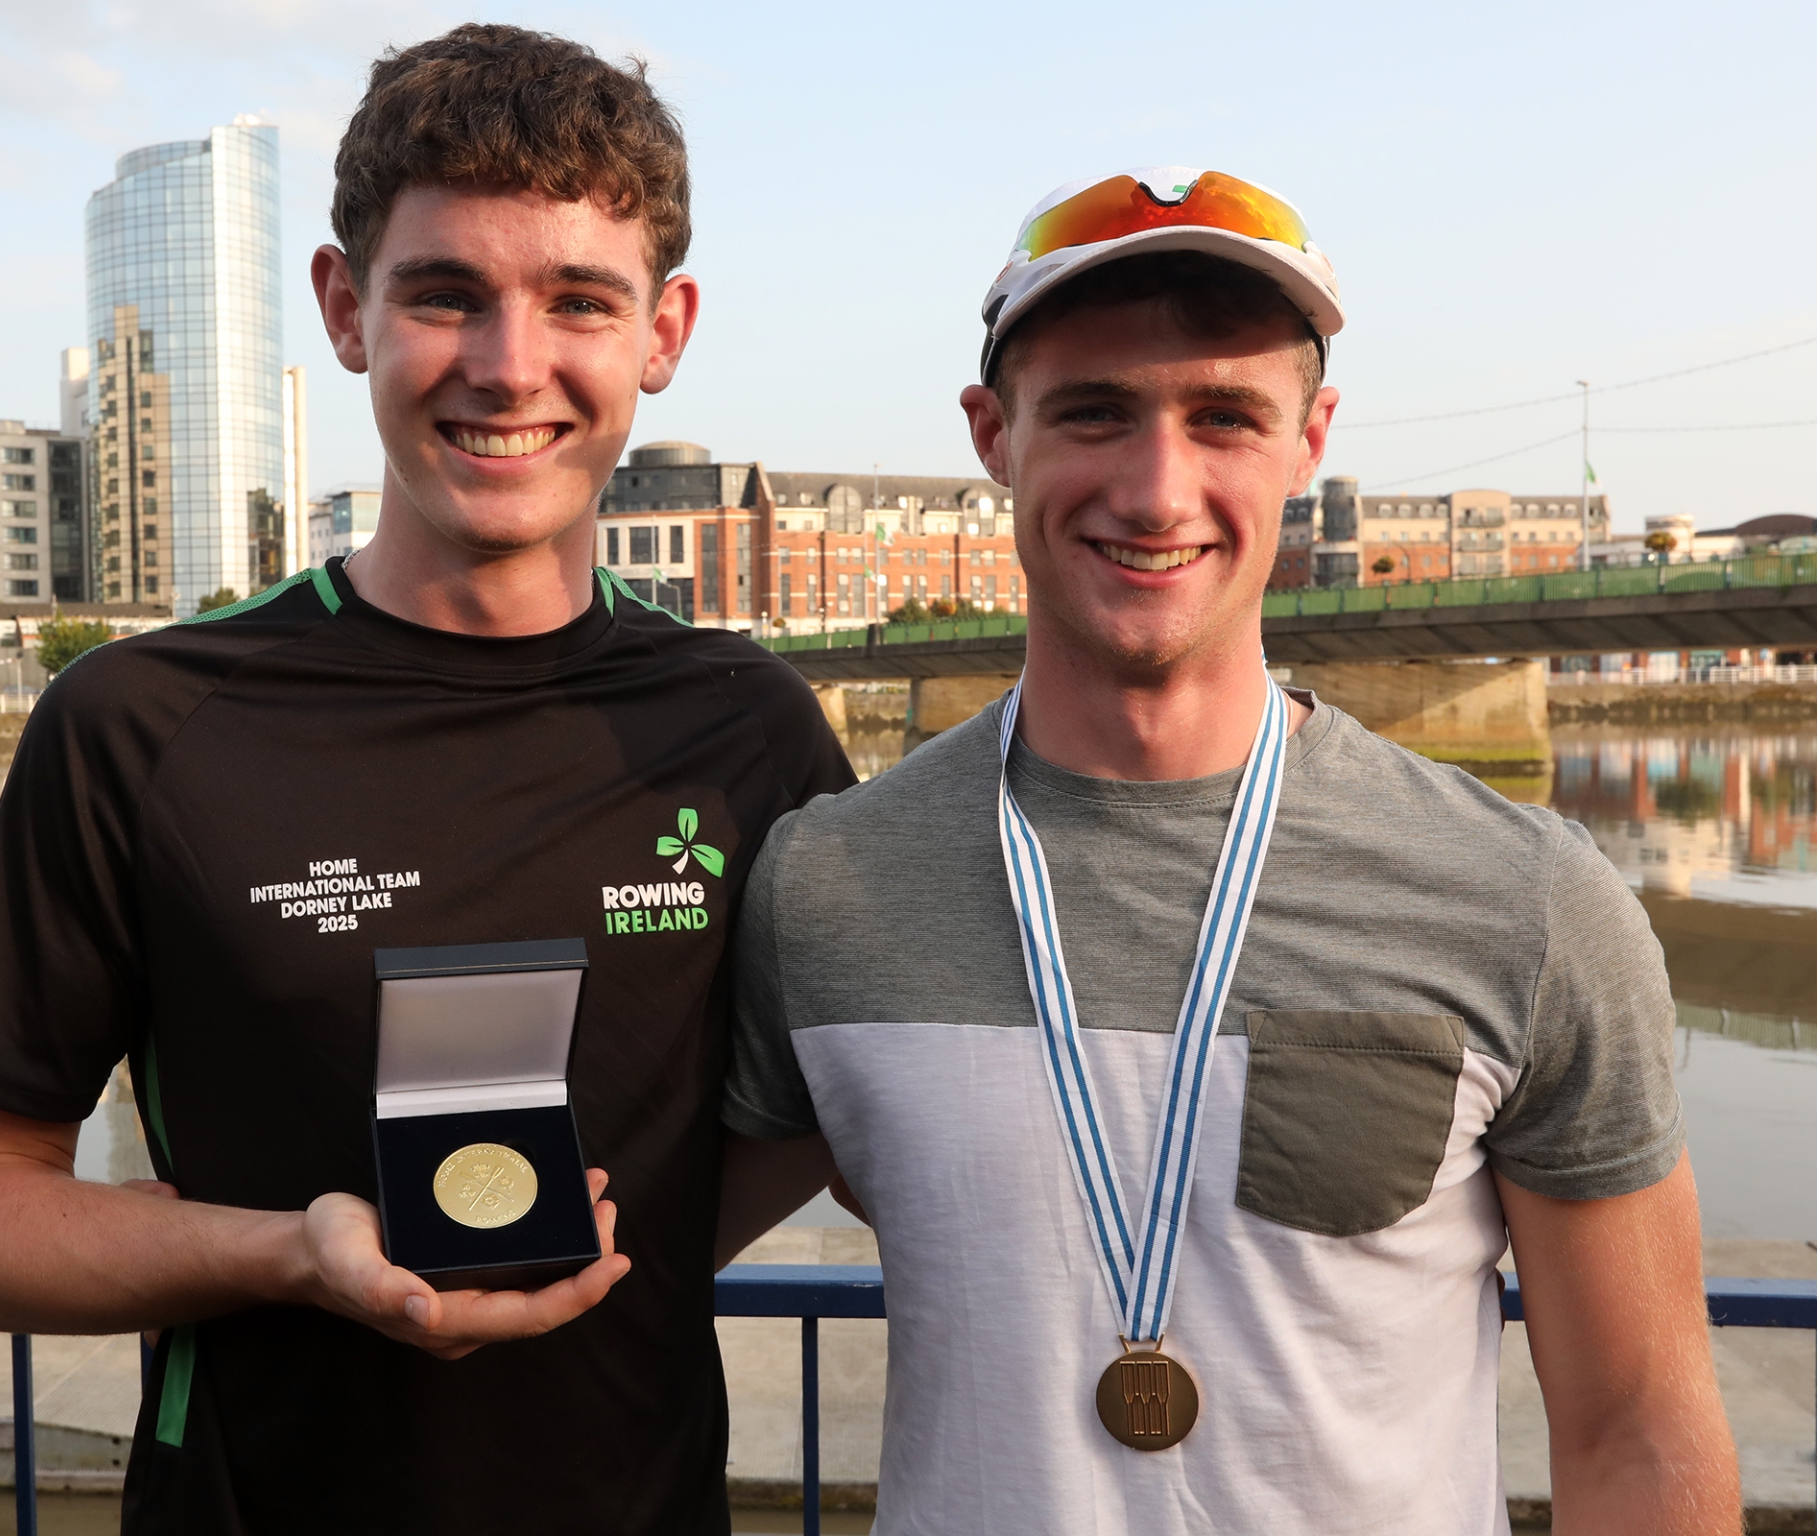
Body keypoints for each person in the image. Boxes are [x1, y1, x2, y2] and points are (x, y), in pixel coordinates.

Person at [0, 25, 850, 1536]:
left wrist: (624, 1245)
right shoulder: (139, 723)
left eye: (578, 303)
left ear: (662, 333)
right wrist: (293, 1252)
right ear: (347, 311)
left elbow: (839, 1104)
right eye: (446, 295)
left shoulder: (751, 729)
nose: (508, 365)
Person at [719, 167, 1740, 1533]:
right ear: (992, 435)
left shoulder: (1529, 899)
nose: (1158, 489)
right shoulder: (823, 888)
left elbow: (1641, 1437)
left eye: (1224, 419)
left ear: (1309, 442)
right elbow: (614, 1267)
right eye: (1093, 413)